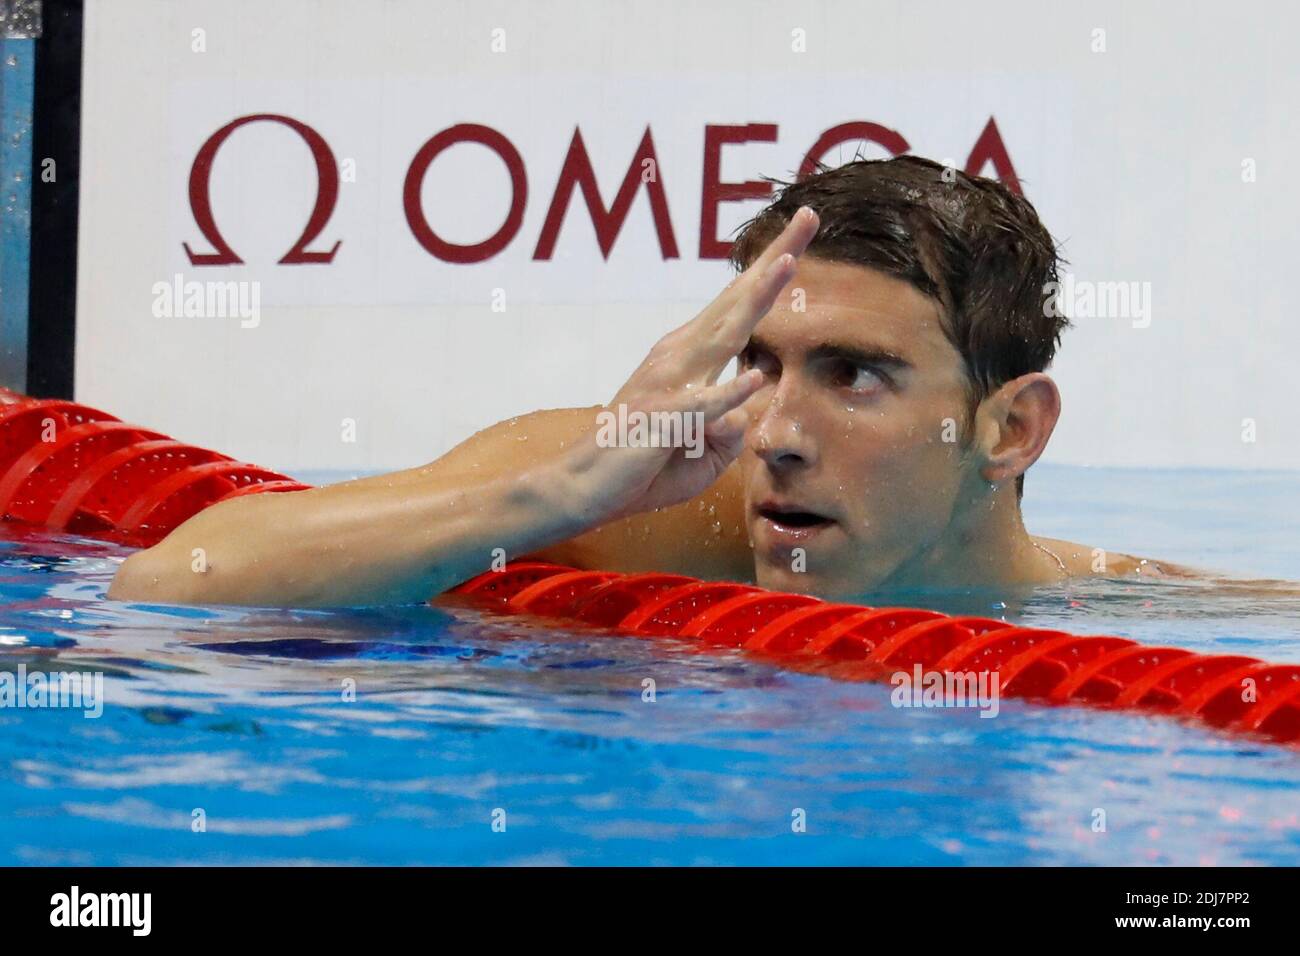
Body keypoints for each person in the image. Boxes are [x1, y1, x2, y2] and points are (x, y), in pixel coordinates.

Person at [108, 156, 1172, 608]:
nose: (775, 433)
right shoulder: (626, 502)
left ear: (1010, 428)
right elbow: (169, 581)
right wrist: (552, 499)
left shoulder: (1128, 610)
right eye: (757, 364)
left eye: (854, 374)